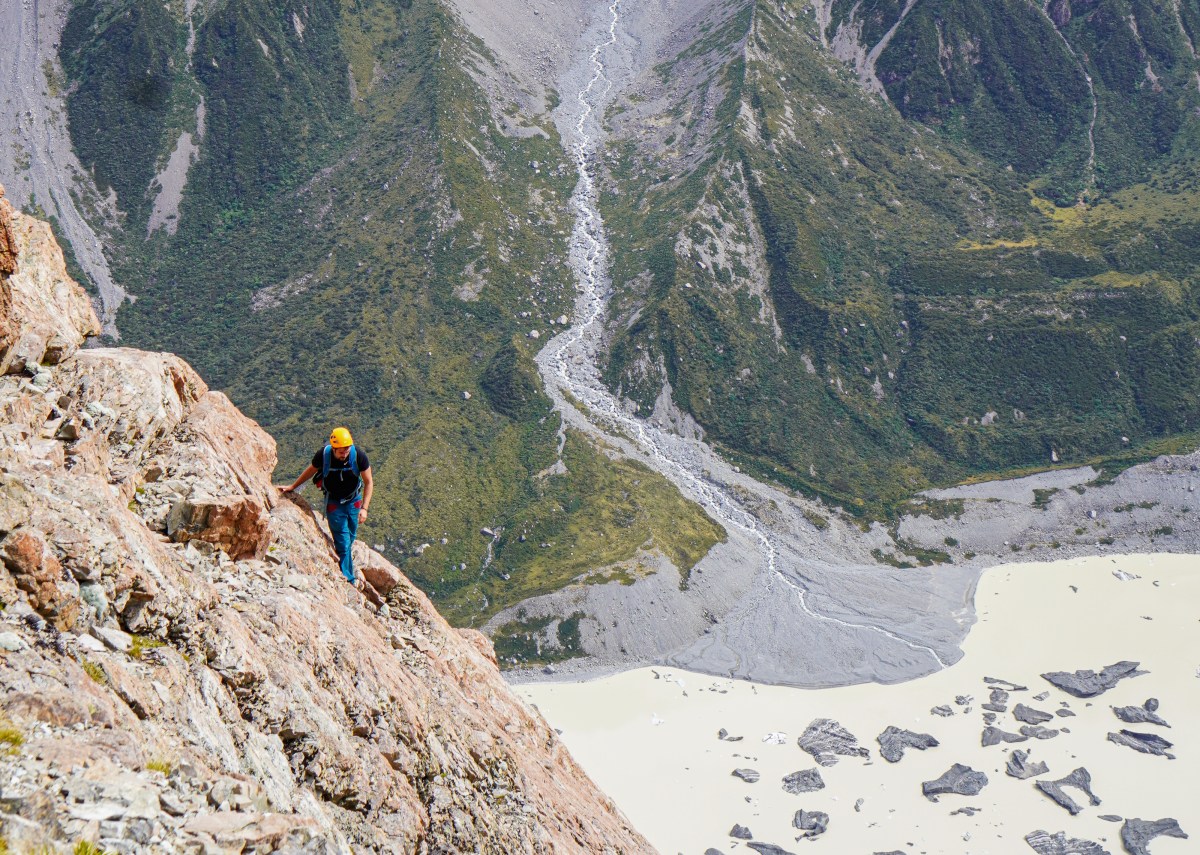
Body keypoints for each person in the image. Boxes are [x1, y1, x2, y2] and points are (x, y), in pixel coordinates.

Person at [280, 427, 373, 585]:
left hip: (353, 501)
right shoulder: (324, 455)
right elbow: (310, 471)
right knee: (343, 541)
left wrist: (364, 508)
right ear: (334, 449)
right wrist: (293, 487)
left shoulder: (358, 456)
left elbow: (369, 481)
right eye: (341, 451)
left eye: (346, 450)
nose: (344, 454)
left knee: (351, 535)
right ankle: (348, 579)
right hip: (334, 503)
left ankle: (344, 559)